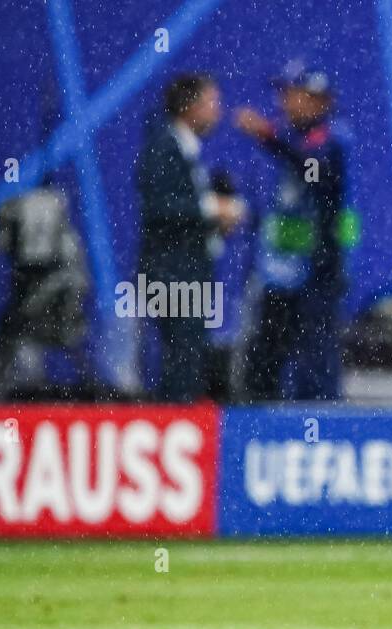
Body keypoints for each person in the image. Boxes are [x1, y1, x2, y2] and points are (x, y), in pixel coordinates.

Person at [235, 61, 355, 401]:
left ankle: (318, 419)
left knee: (316, 352)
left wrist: (269, 137)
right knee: (267, 348)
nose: (284, 102)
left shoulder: (331, 139)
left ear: (319, 100)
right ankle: (261, 415)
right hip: (280, 270)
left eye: (292, 94)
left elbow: (314, 170)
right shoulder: (291, 137)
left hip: (319, 269)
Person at [136, 73, 242, 402]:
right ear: (188, 106)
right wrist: (213, 208)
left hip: (184, 270)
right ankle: (177, 420)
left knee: (188, 355)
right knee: (183, 358)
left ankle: (181, 414)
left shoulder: (181, 147)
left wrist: (215, 221)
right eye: (211, 102)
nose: (218, 111)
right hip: (172, 273)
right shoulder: (163, 146)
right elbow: (159, 206)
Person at [0, 186, 92, 398]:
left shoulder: (25, 211)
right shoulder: (38, 209)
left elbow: (36, 262)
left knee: (27, 329)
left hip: (58, 284)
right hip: (58, 283)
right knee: (27, 332)